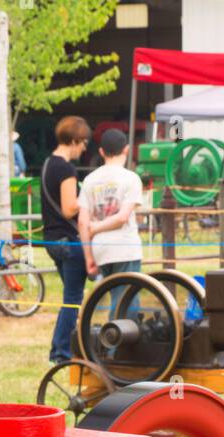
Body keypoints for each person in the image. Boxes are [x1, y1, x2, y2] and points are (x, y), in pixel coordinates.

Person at [41, 114, 91, 364]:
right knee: (72, 300)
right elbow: (69, 208)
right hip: (68, 241)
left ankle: (61, 349)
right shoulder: (66, 169)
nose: (84, 148)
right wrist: (89, 200)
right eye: (83, 142)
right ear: (73, 140)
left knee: (70, 298)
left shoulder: (48, 163)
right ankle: (61, 353)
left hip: (51, 239)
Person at [78, 128, 144, 294]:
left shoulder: (89, 180)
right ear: (126, 149)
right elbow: (122, 218)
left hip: (100, 248)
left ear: (101, 152)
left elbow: (82, 222)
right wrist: (96, 227)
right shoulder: (131, 178)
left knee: (104, 297)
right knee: (125, 302)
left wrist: (88, 257)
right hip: (125, 247)